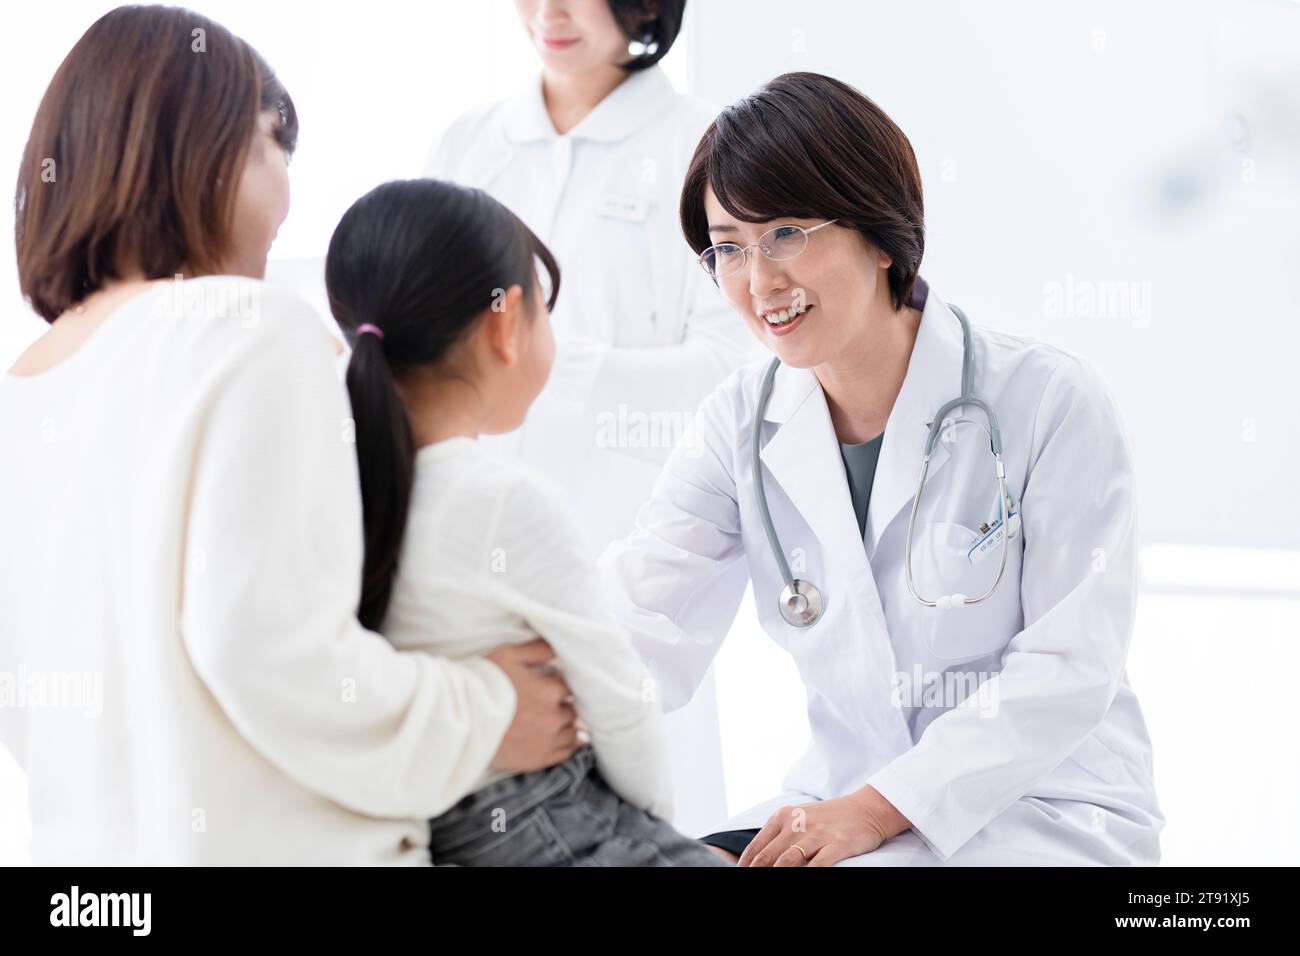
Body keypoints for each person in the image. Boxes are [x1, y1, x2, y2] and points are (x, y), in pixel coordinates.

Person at [0, 5, 576, 865]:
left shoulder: (25, 390)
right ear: (203, 147)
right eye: (277, 146)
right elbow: (276, 655)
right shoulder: (249, 329)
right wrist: (490, 710)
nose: (287, 195)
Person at [598, 72, 1166, 866]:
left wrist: (874, 811)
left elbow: (1069, 669)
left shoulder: (1047, 401)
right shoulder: (738, 422)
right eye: (727, 248)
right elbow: (639, 619)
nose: (759, 283)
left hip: (1042, 809)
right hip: (840, 796)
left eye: (786, 234)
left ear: (876, 230)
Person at [324, 178, 727, 866]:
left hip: (435, 824)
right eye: (547, 309)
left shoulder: (328, 493)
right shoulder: (505, 501)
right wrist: (659, 836)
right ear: (505, 324)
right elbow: (621, 699)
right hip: (555, 820)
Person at [426, 0, 760, 553]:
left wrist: (553, 362)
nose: (548, 14)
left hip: (629, 546)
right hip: (464, 536)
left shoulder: (707, 148)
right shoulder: (467, 143)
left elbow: (733, 373)